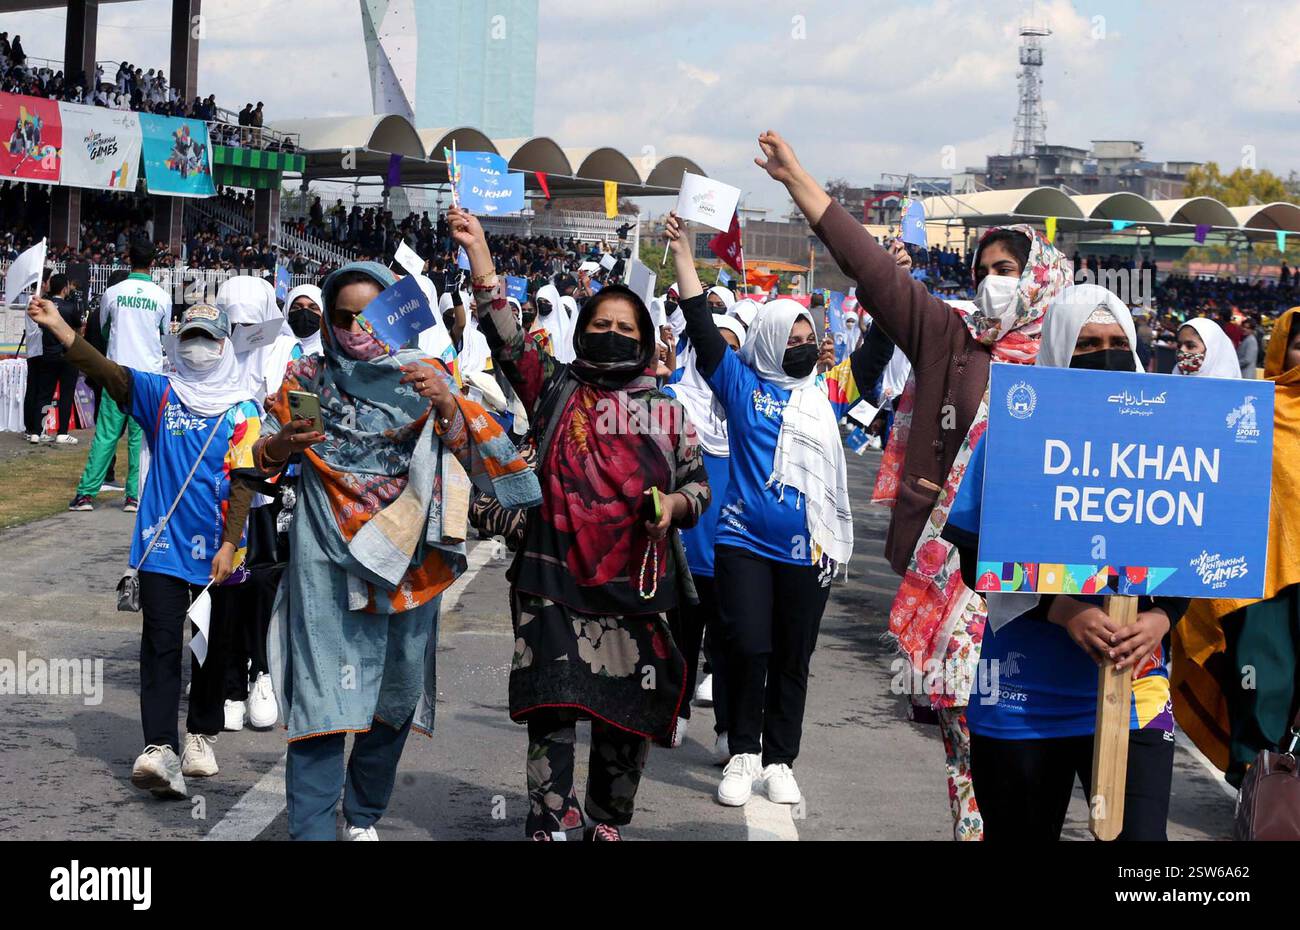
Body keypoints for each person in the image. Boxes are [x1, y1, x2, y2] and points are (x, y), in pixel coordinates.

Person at [754, 129, 1070, 839]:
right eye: (984, 267)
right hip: (961, 578)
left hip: (1047, 592)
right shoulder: (950, 340)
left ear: (1041, 275)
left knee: (1036, 763)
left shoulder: (1071, 359)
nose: (993, 278)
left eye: (1007, 267)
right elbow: (872, 270)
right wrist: (800, 181)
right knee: (968, 746)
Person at [243, 260, 537, 840]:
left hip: (408, 566)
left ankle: (364, 815)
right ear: (326, 319)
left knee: (392, 699)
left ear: (396, 317)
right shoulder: (306, 377)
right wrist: (281, 443)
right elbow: (262, 465)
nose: (357, 327)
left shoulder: (426, 376)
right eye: (343, 314)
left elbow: (498, 465)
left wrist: (449, 405)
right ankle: (312, 831)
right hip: (324, 559)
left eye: (371, 314)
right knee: (321, 704)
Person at [457, 205, 710, 841]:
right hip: (552, 579)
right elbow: (506, 338)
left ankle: (604, 819)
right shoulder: (554, 388)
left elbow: (698, 488)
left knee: (628, 712)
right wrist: (481, 252)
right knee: (553, 703)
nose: (613, 333)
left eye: (626, 327)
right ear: (582, 330)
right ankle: (549, 816)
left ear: (646, 339)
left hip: (636, 588)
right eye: (601, 323)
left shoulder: (666, 412)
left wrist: (671, 510)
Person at [942, 285, 1185, 841]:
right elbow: (976, 557)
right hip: (1026, 696)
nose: (1104, 355)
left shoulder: (1172, 438)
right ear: (1056, 350)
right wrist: (1062, 611)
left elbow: (1195, 547)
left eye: (1116, 341)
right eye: (1086, 345)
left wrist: (1163, 616)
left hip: (1136, 692)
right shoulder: (1011, 435)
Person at [28, 297, 259, 799]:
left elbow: (244, 483)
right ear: (178, 344)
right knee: (159, 643)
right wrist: (63, 331)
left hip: (221, 552)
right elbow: (109, 373)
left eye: (208, 339)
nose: (199, 348)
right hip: (163, 545)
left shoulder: (245, 409)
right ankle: (160, 748)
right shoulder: (162, 394)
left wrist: (230, 542)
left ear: (225, 346)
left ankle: (200, 734)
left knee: (213, 650)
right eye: (190, 338)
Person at [666, 211, 853, 809]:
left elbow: (875, 360)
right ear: (768, 341)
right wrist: (683, 258)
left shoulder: (823, 396)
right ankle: (743, 754)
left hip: (810, 551)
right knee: (747, 645)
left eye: (807, 341)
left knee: (794, 655)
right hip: (744, 542)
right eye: (789, 341)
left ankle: (780, 760)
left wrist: (881, 279)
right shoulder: (740, 386)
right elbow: (699, 324)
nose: (800, 349)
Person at [1174, 305, 1300, 788]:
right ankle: (1262, 795)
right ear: (1279, 346)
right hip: (1262, 575)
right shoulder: (1252, 406)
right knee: (1266, 685)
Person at [661, 308, 748, 762]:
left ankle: (728, 731)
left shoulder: (748, 411)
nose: (724, 356)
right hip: (681, 551)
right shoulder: (671, 399)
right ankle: (673, 715)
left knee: (730, 648)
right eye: (718, 345)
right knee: (679, 643)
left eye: (734, 348)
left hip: (732, 554)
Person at [70, 239, 169, 513]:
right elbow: (164, 335)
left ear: (128, 258)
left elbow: (103, 330)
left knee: (105, 436)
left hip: (116, 372)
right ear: (153, 262)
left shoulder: (113, 293)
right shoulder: (162, 296)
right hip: (147, 377)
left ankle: (86, 495)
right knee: (141, 440)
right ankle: (134, 496)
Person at [24, 272, 83, 444]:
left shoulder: (44, 307)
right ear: (65, 288)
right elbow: (78, 331)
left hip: (48, 354)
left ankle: (36, 431)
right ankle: (62, 432)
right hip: (67, 355)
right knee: (66, 394)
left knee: (44, 394)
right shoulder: (71, 307)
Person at [1174, 318, 1241, 379]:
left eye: (1190, 346)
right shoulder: (1175, 376)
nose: (1182, 350)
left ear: (1212, 350)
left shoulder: (1228, 387)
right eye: (1179, 345)